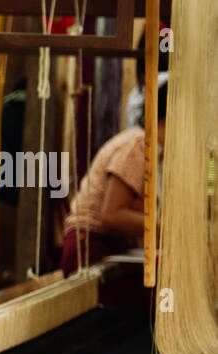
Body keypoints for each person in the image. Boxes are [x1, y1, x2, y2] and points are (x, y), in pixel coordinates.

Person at [60, 79, 167, 277]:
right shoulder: (138, 146)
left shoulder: (155, 152)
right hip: (89, 247)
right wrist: (167, 227)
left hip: (104, 245)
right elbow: (112, 215)